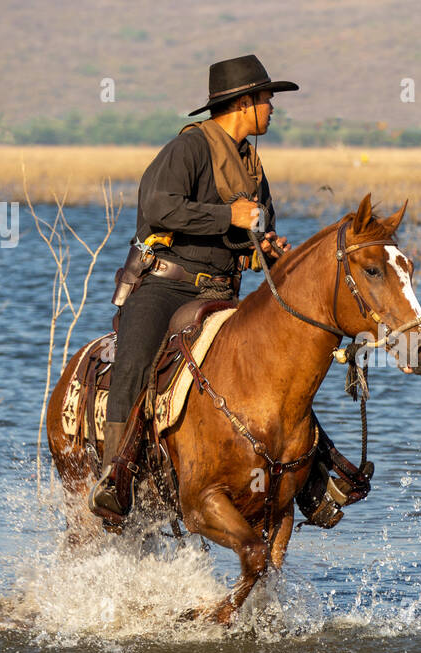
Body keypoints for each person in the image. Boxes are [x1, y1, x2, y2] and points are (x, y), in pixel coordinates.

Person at [89, 54, 297, 521]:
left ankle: (315, 476)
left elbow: (253, 230)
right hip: (168, 286)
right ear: (244, 103)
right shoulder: (188, 150)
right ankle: (113, 475)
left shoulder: (252, 164)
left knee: (277, 367)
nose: (272, 108)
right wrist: (228, 216)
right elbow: (158, 208)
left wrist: (266, 244)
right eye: (266, 99)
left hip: (224, 293)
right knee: (133, 361)